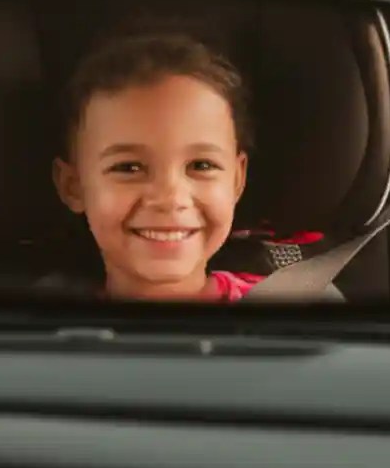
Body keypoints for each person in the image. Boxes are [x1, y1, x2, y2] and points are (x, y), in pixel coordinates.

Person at [49, 32, 265, 302]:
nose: (170, 199)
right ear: (74, 186)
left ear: (236, 180)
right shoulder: (37, 325)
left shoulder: (294, 308)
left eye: (201, 165)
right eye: (129, 168)